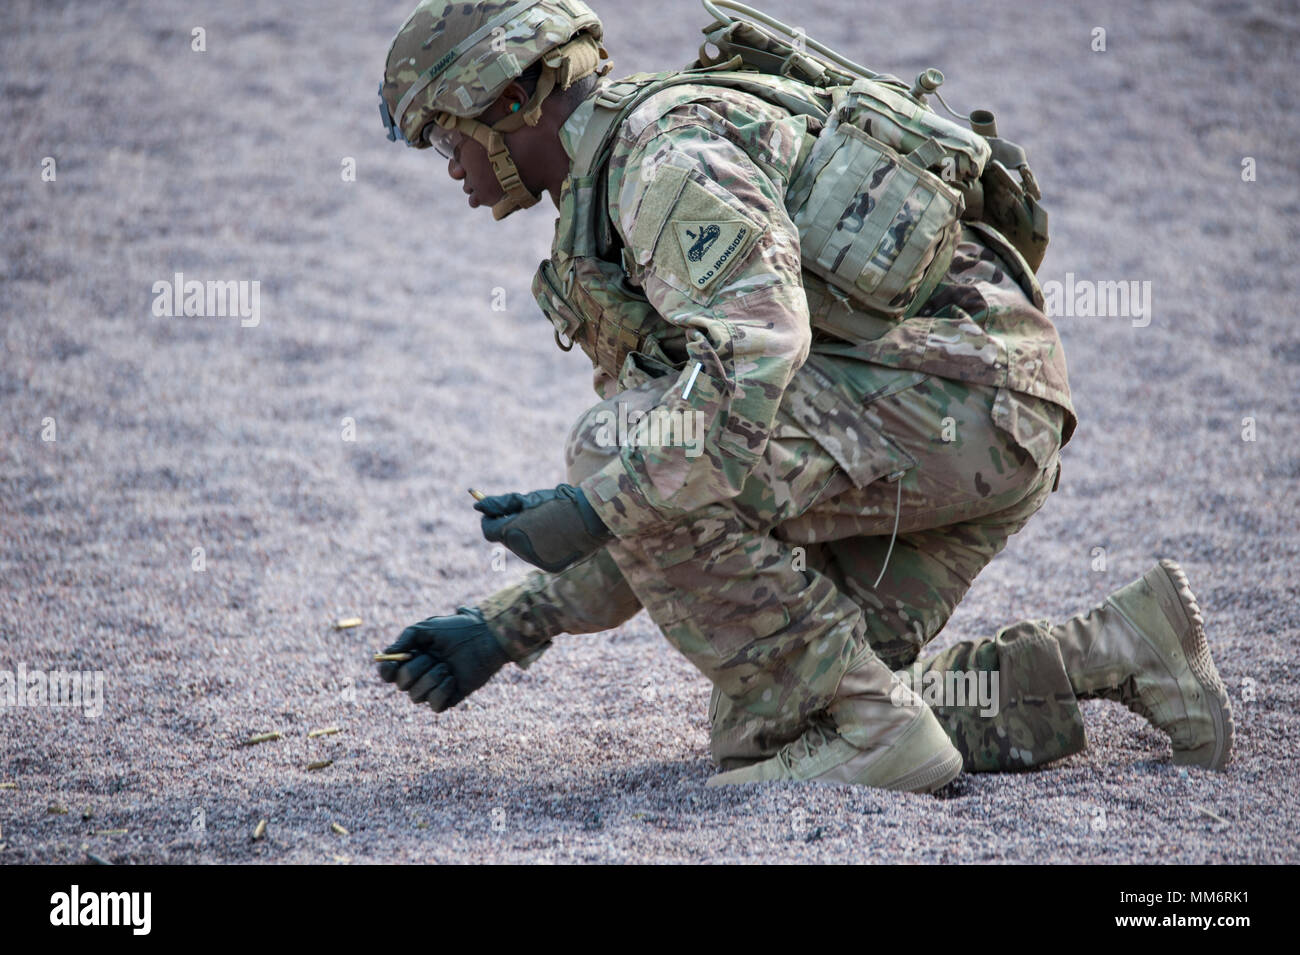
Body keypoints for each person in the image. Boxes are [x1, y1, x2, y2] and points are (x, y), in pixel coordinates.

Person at [374, 0, 1233, 790]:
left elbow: (750, 361)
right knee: (774, 721)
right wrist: (508, 625)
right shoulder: (604, 196)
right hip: (958, 411)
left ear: (515, 98)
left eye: (446, 135)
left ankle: (875, 727)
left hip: (963, 402)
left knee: (616, 445)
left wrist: (596, 501)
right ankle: (1120, 647)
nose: (449, 166)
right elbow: (674, 496)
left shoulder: (662, 159)